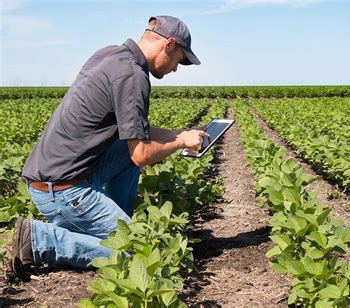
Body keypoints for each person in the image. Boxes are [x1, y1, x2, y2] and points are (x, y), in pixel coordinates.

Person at [10, 15, 209, 282]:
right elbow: (142, 154)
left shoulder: (110, 56)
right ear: (169, 44)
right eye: (180, 59)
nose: (176, 69)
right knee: (139, 252)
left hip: (53, 176)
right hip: (62, 190)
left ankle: (113, 222)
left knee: (126, 151)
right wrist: (181, 142)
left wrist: (179, 133)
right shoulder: (133, 77)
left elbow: (138, 137)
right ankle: (41, 240)